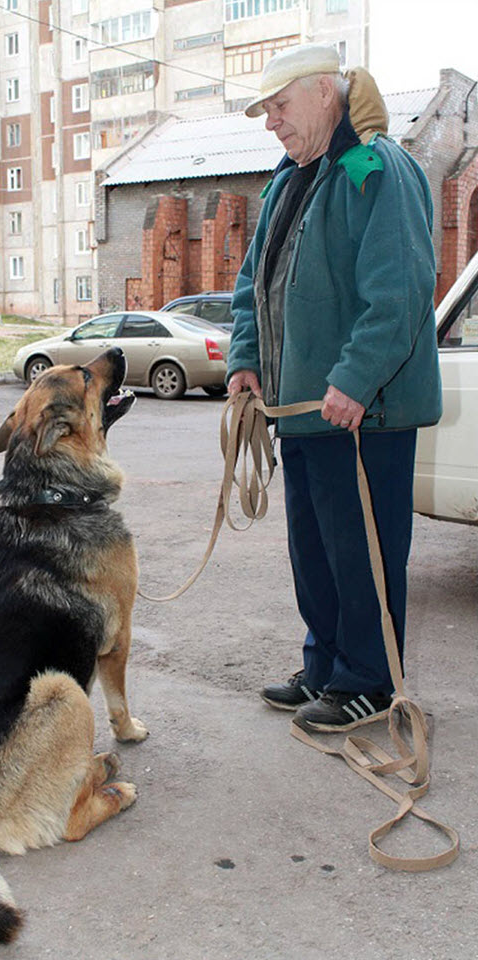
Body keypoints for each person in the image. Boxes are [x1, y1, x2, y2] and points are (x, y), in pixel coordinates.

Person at [227, 44, 442, 732]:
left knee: (362, 555)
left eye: (279, 106)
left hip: (363, 414)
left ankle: (369, 681)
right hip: (301, 412)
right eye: (265, 111)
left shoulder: (373, 168)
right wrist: (245, 358)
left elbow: (400, 290)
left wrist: (353, 379)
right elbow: (253, 283)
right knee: (315, 553)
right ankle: (325, 667)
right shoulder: (291, 180)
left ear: (325, 93)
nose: (271, 122)